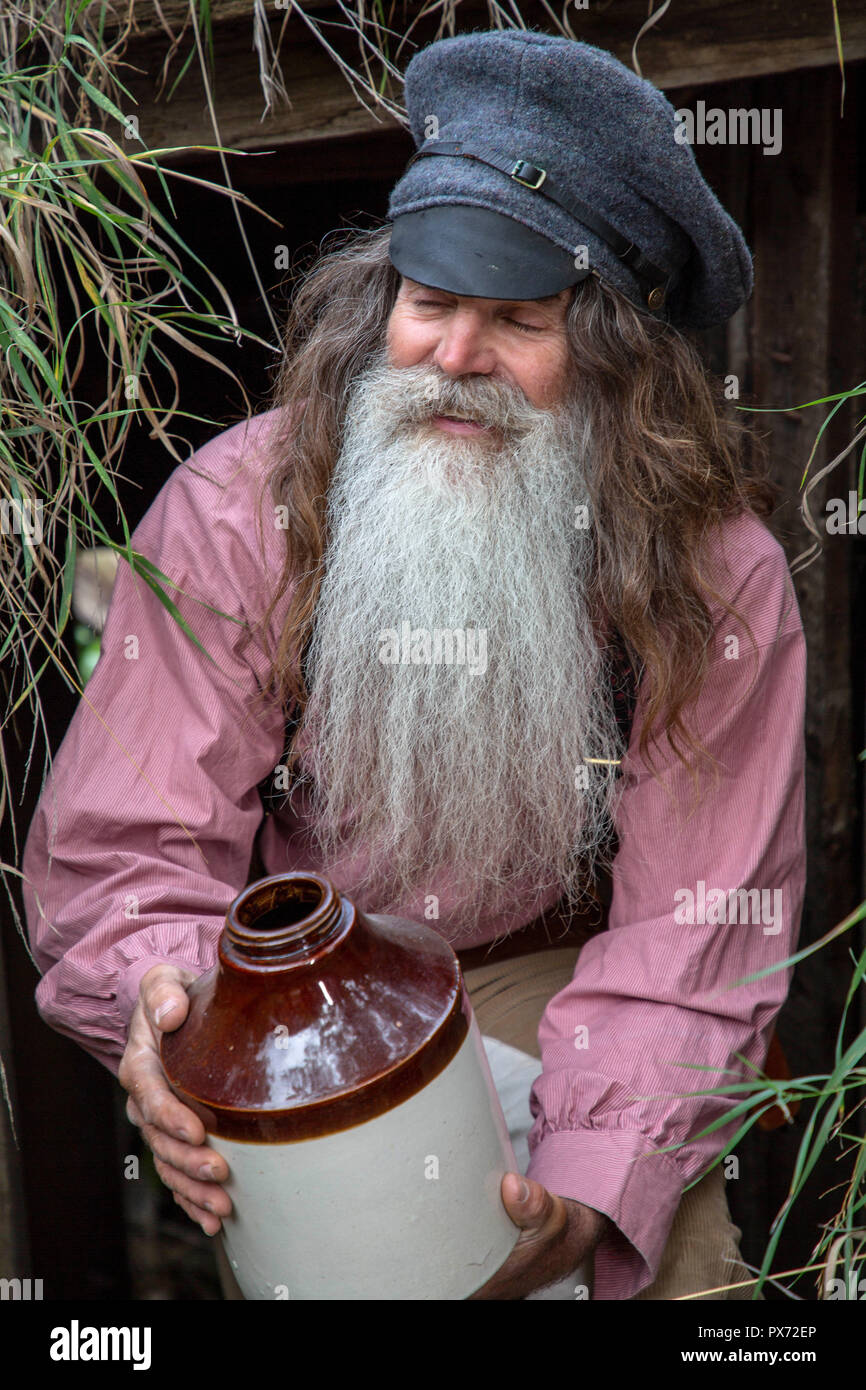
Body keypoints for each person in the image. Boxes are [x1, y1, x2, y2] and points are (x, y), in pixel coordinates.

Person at [21, 30, 806, 1300]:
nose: (452, 357)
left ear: (615, 368)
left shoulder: (714, 574)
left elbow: (692, 926)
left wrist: (589, 1196)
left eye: (517, 321)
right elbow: (125, 857)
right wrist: (168, 1029)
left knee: (660, 1248)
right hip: (293, 976)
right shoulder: (239, 513)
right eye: (430, 304)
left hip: (566, 968)